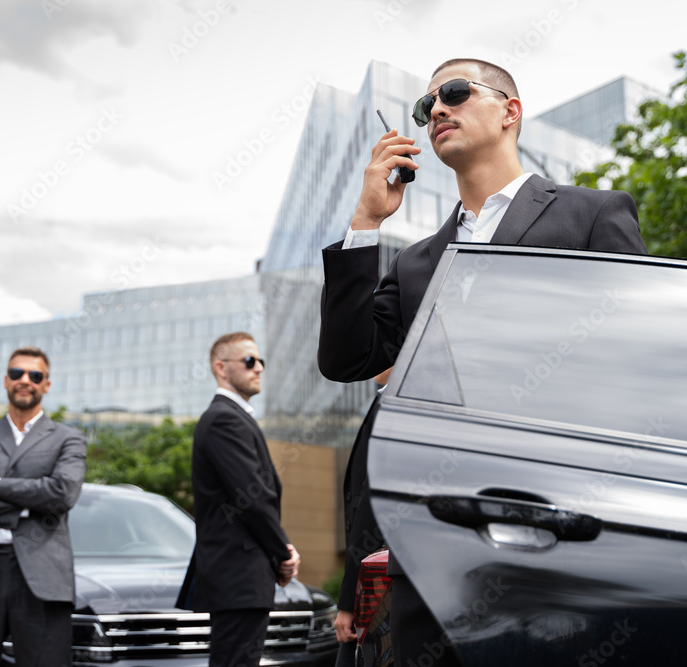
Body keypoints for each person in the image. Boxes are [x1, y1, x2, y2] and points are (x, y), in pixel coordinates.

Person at [317, 58, 649, 666]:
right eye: (426, 107)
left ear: (509, 111)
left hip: (560, 537)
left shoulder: (592, 215)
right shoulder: (414, 263)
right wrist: (366, 222)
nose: (436, 110)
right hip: (434, 550)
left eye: (453, 93)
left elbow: (631, 368)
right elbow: (345, 358)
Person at [0, 346, 87, 667]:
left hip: (43, 577)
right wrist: (28, 506)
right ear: (5, 381)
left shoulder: (68, 439)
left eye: (35, 375)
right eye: (16, 373)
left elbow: (62, 494)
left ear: (46, 385)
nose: (25, 380)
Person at [191, 332, 301, 667]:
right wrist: (283, 552)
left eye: (261, 361)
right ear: (221, 368)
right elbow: (252, 497)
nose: (259, 368)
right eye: (250, 361)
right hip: (238, 574)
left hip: (240, 575)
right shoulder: (225, 419)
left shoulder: (234, 418)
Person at [334, 369, 390, 667]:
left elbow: (369, 510)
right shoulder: (386, 402)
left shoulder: (393, 405)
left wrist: (348, 603)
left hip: (376, 581)